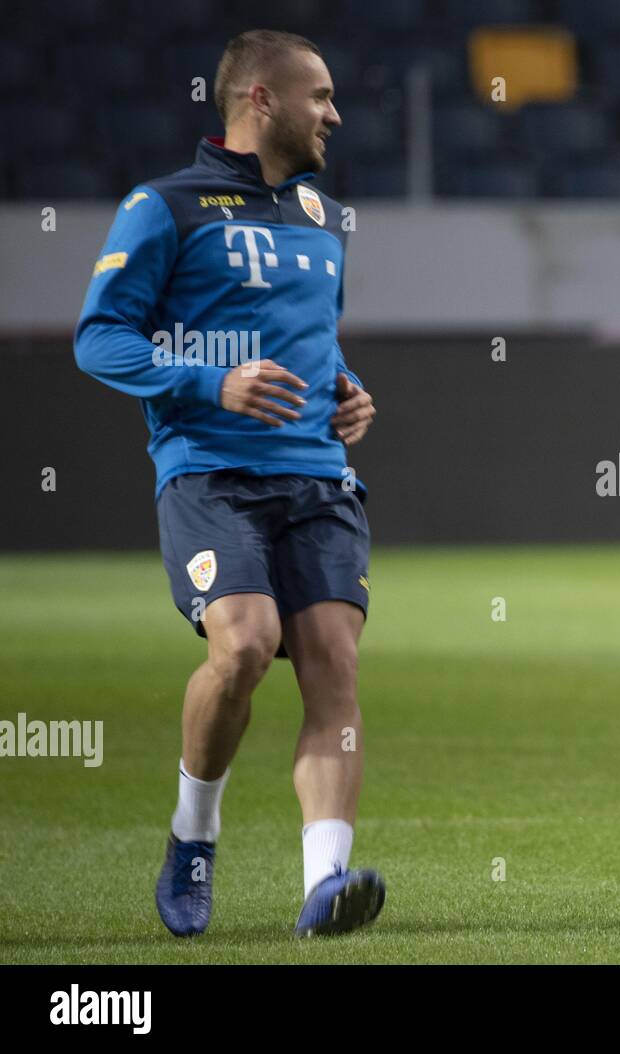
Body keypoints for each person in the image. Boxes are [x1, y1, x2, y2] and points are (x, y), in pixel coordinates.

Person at [74, 30, 383, 937]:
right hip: (209, 473)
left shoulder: (322, 216)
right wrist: (212, 383)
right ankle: (193, 834)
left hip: (318, 478)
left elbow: (311, 337)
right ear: (260, 99)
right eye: (319, 95)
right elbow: (100, 337)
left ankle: (325, 884)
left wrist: (346, 386)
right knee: (244, 647)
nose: (335, 113)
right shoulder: (162, 207)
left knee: (333, 661)